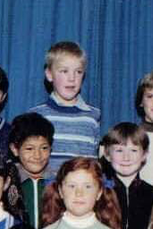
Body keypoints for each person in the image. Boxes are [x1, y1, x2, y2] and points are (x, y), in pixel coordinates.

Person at [27, 41, 100, 176]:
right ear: (49, 74)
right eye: (64, 71)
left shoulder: (92, 116)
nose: (72, 78)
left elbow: (94, 162)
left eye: (78, 72)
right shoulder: (36, 115)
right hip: (49, 192)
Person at [100, 122, 153, 229]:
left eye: (133, 150)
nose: (126, 158)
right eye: (119, 150)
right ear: (107, 155)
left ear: (144, 155)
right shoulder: (99, 191)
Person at [8, 112, 55, 229]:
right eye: (29, 148)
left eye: (44, 148)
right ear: (15, 149)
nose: (37, 155)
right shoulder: (7, 181)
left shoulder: (57, 181)